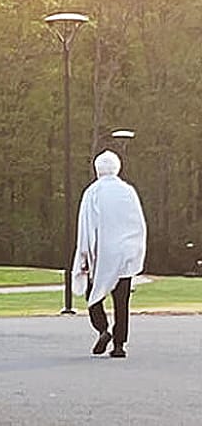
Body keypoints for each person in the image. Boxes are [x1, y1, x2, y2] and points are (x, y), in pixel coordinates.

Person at [71, 150, 147, 358]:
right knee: (122, 302)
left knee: (93, 296)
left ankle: (103, 329)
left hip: (102, 254)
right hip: (124, 255)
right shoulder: (128, 191)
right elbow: (138, 224)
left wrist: (85, 255)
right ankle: (120, 344)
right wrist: (135, 251)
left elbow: (86, 226)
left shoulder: (93, 192)